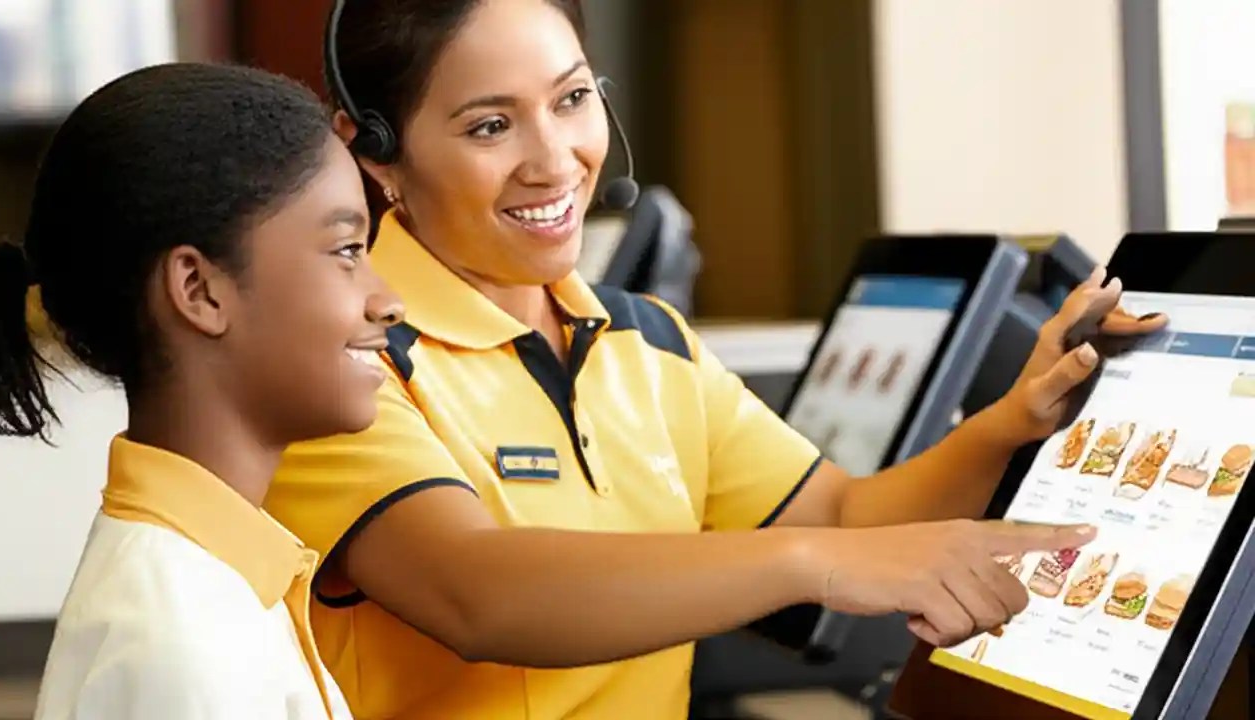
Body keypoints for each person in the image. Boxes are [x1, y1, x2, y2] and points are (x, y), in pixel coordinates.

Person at [264, 1, 1169, 718]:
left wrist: (1015, 420)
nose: (556, 161)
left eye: (573, 99)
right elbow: (476, 595)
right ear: (375, 156)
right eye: (490, 126)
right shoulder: (347, 357)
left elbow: (845, 513)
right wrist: (808, 564)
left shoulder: (646, 339)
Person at [0, 62, 405, 719]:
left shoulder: (218, 586)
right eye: (347, 251)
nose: (389, 301)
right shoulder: (184, 641)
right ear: (199, 291)